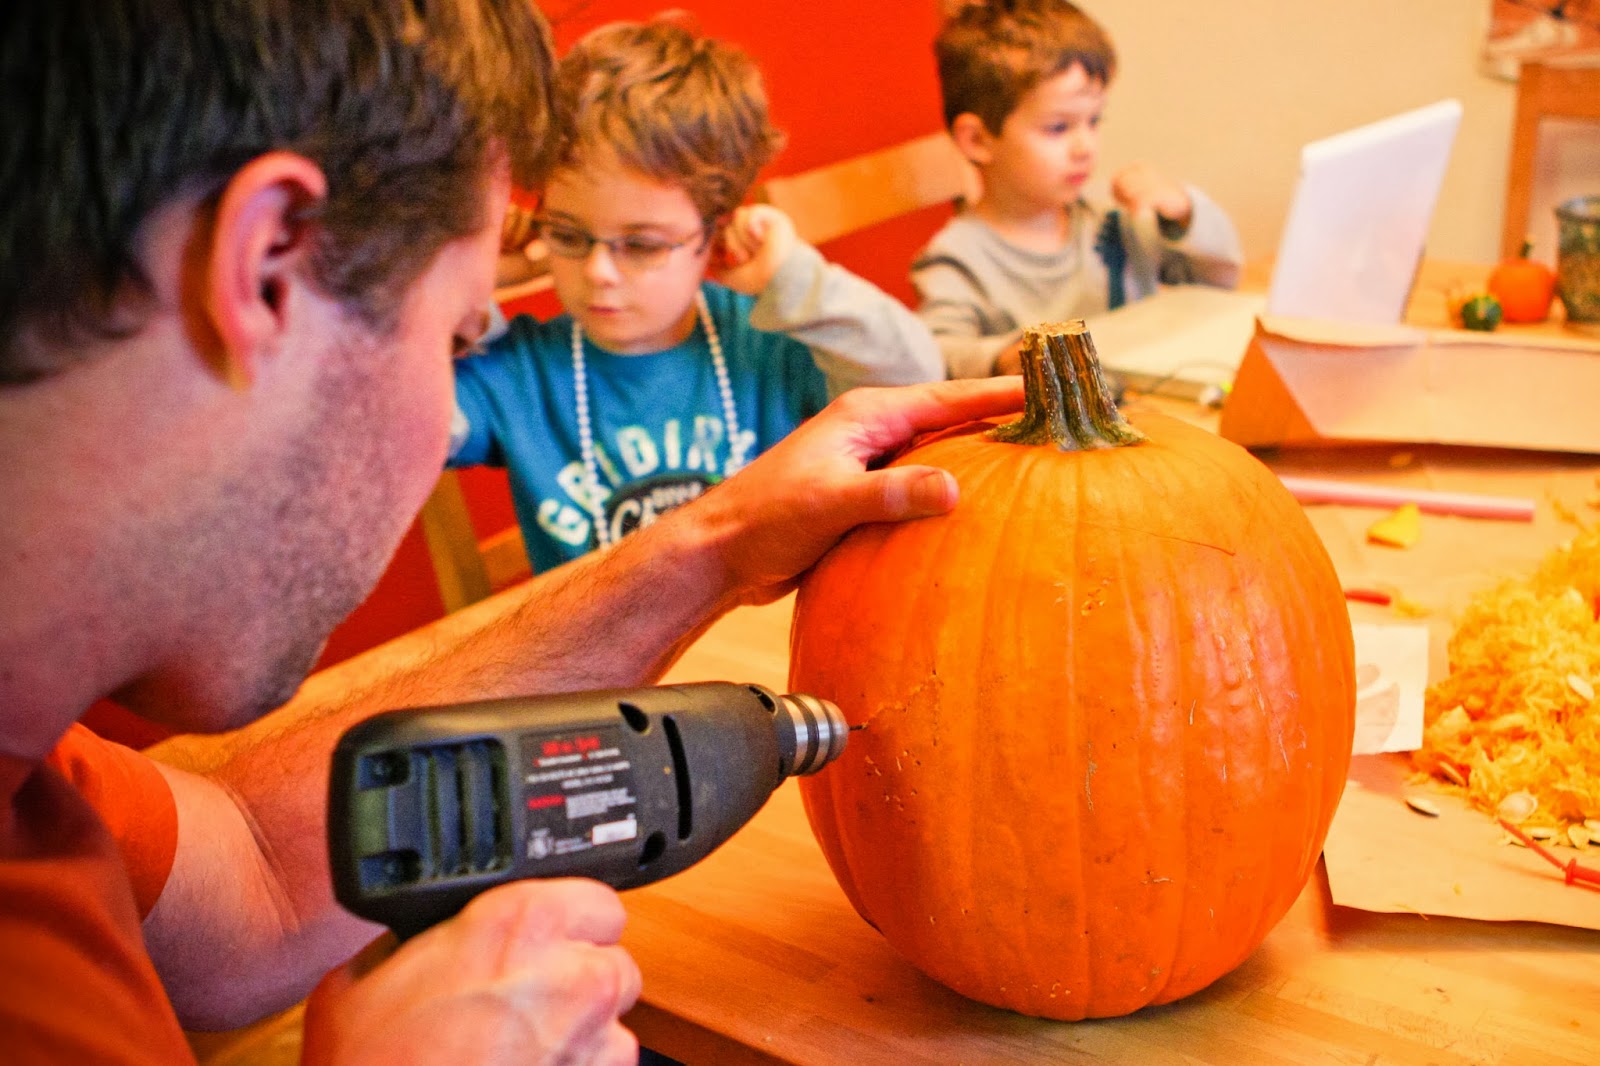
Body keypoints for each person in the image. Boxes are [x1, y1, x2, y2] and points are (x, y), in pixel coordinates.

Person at [0, 2, 1022, 1064]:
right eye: (456, 333)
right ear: (266, 265)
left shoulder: (42, 775)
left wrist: (717, 542)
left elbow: (251, 866)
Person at [450, 19, 944, 572]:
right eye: (565, 234)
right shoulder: (519, 373)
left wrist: (794, 280)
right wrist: (463, 282)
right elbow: (406, 433)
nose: (599, 270)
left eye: (642, 244)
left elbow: (916, 375)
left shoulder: (766, 344)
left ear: (714, 231)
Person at [913, 0, 1244, 379]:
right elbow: (937, 355)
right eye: (1058, 128)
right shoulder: (959, 260)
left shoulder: (1114, 220)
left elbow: (1217, 280)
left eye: (1093, 121)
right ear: (977, 140)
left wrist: (1184, 214)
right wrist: (1002, 357)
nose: (1085, 147)